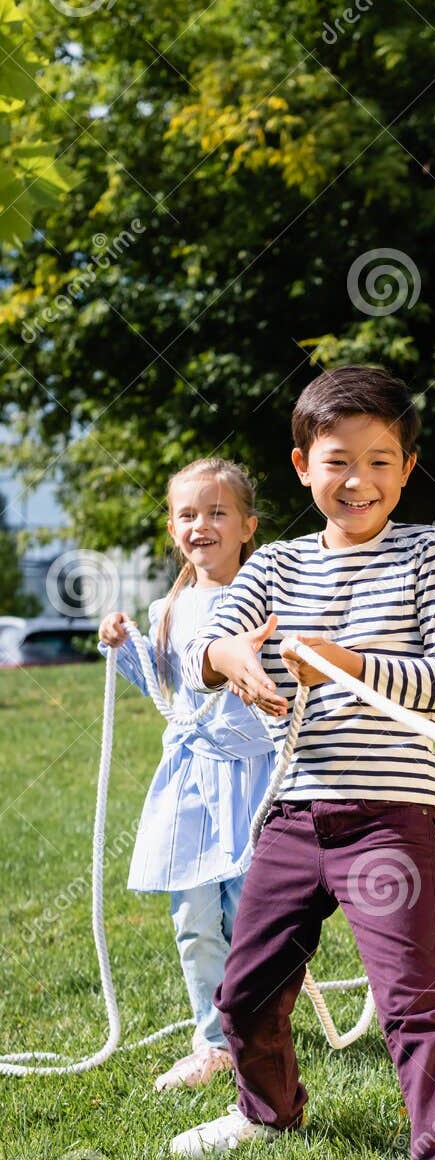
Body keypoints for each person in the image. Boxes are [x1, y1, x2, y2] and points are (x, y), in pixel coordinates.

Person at [171, 365, 435, 1160]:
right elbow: (209, 639)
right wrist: (230, 656)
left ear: (406, 469)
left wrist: (346, 660)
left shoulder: (431, 553)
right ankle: (266, 1113)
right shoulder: (274, 563)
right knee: (243, 995)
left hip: (387, 814)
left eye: (379, 461)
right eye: (336, 461)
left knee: (410, 1000)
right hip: (291, 812)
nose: (357, 480)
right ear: (300, 466)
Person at [97, 458, 275, 1092]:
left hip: (256, 776)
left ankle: (257, 1031)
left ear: (247, 525)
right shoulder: (165, 610)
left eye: (218, 511)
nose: (203, 524)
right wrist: (125, 646)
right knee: (193, 915)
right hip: (191, 780)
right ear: (174, 529)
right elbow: (167, 690)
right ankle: (212, 1040)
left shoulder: (268, 600)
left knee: (249, 912)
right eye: (189, 514)